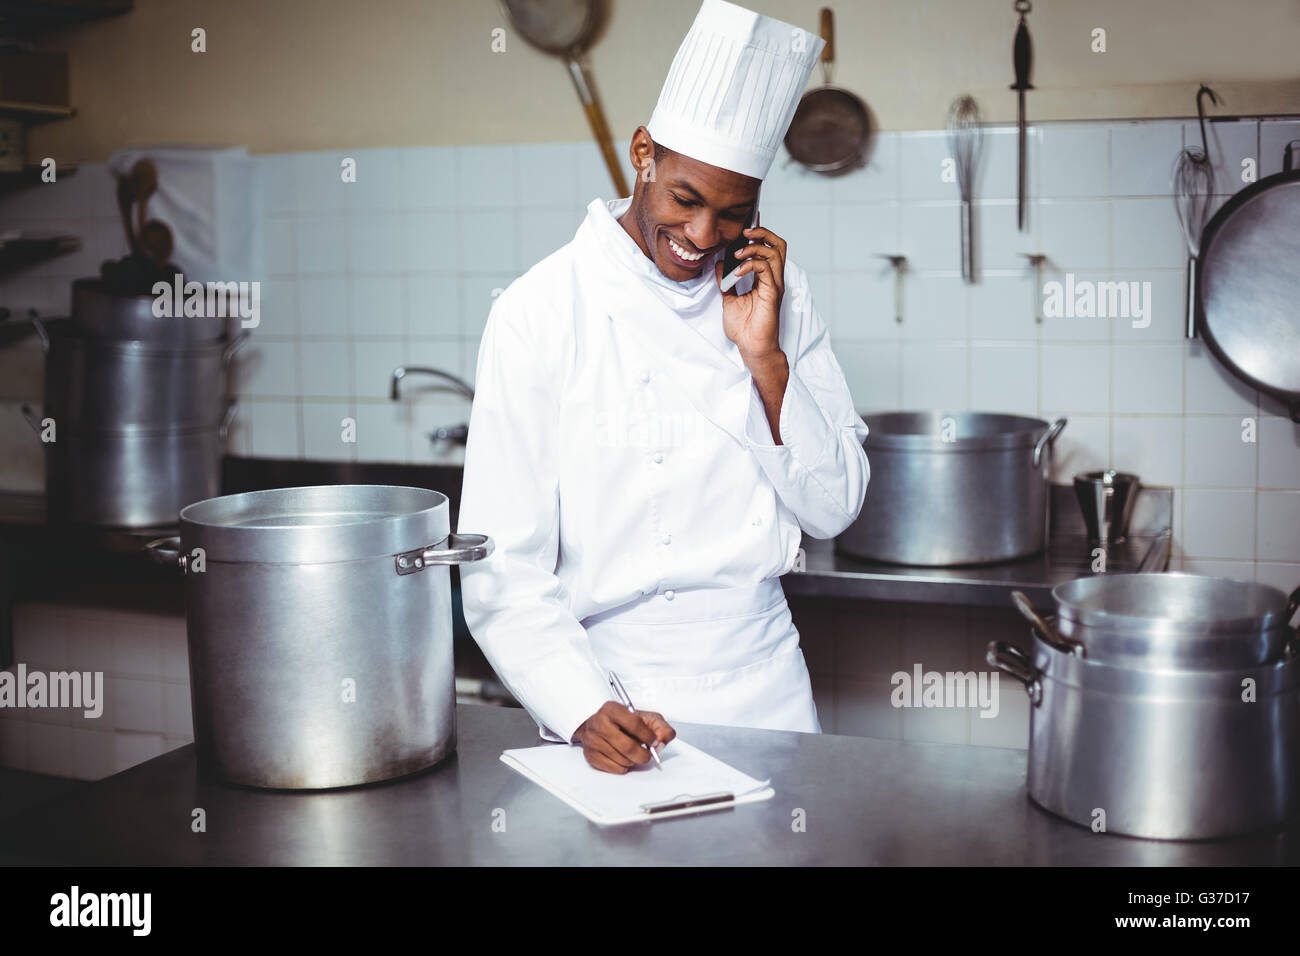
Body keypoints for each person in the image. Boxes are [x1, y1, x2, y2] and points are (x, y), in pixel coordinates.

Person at [459, 0, 870, 774]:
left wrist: (766, 358)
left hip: (767, 684)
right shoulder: (540, 309)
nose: (705, 237)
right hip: (615, 694)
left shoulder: (777, 293)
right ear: (642, 153)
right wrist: (578, 705)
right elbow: (502, 564)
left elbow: (835, 506)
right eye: (686, 200)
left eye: (734, 212)